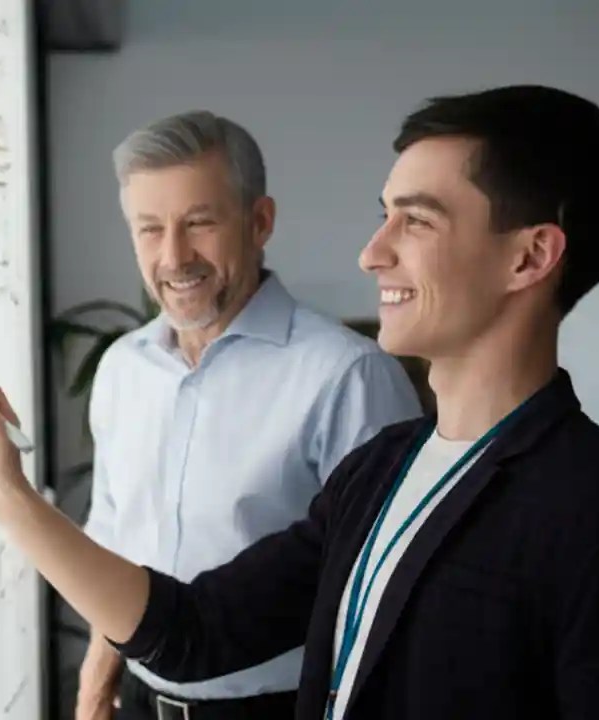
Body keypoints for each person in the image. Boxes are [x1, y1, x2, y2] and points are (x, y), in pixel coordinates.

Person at [0, 84, 599, 720]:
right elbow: (194, 631)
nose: (372, 252)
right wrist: (7, 496)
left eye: (416, 221)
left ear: (530, 257)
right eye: (383, 214)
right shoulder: (379, 473)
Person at [73, 110, 421, 719]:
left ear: (260, 222)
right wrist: (98, 682)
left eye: (199, 223)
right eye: (149, 229)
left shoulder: (349, 376)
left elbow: (387, 602)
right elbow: (115, 542)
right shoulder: (122, 369)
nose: (174, 257)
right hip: (136, 704)